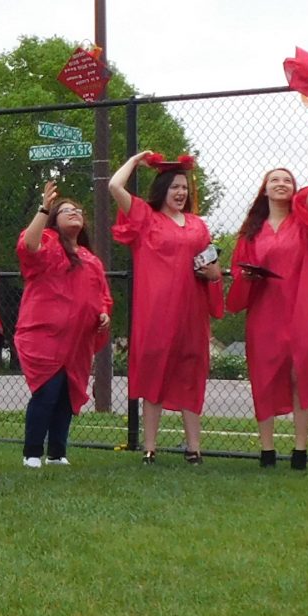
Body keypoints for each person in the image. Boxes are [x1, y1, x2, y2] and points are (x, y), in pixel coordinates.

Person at [225, 112, 308, 469]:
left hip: (300, 308)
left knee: (299, 373)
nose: (281, 184)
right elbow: (239, 271)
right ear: (265, 189)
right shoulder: (251, 232)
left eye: (287, 179)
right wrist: (249, 278)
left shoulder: (305, 225)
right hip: (265, 311)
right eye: (275, 179)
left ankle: (300, 450)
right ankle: (267, 449)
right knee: (265, 374)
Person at [106, 147, 226, 465]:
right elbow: (115, 187)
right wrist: (133, 161)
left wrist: (214, 275)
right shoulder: (146, 218)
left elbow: (210, 266)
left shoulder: (198, 226)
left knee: (190, 372)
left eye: (184, 188)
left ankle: (194, 447)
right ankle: (149, 447)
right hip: (156, 312)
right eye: (174, 187)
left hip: (191, 311)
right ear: (162, 190)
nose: (181, 192)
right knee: (154, 374)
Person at [13, 178, 113, 468]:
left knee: (66, 398)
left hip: (76, 343)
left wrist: (103, 313)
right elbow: (27, 246)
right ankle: (32, 453)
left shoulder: (90, 260)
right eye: (66, 210)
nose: (74, 213)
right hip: (45, 337)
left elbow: (102, 297)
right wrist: (44, 208)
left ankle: (57, 452)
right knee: (47, 392)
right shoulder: (48, 243)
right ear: (54, 220)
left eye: (78, 211)